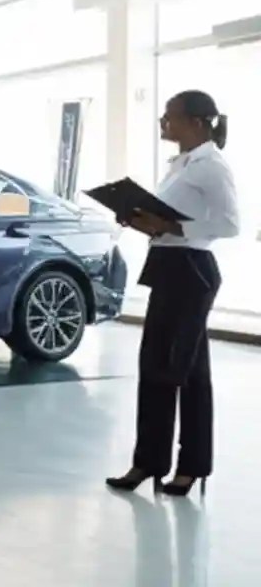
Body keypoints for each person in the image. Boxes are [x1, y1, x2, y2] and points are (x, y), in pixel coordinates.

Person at [107, 89, 238, 498]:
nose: (164, 123)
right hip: (169, 269)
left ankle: (180, 466)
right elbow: (171, 219)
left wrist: (173, 228)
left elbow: (230, 223)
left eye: (170, 117)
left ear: (197, 122)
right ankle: (154, 463)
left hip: (191, 272)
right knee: (171, 368)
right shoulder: (180, 164)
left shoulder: (211, 166)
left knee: (174, 371)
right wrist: (142, 220)